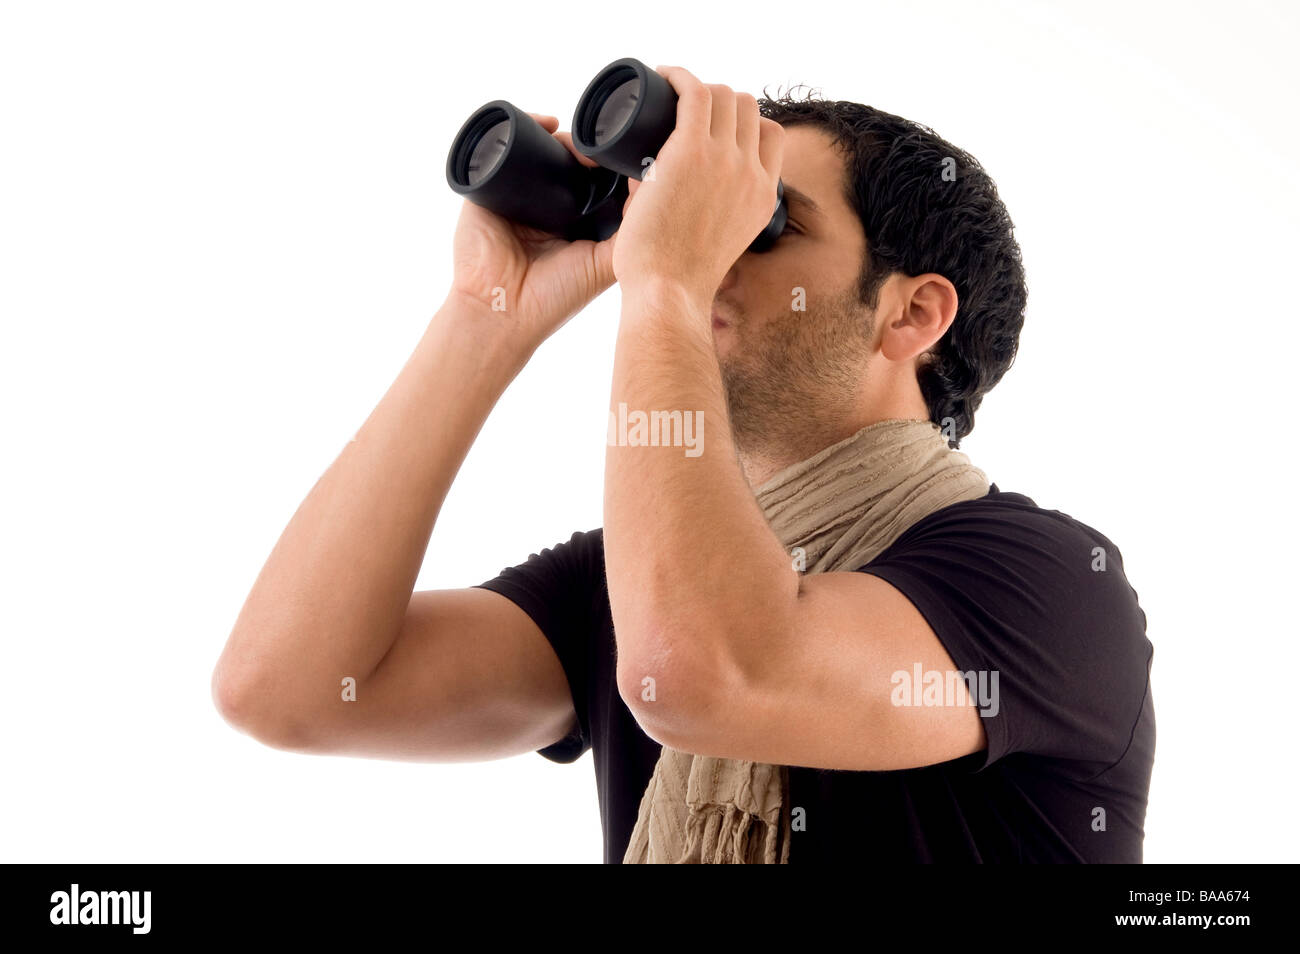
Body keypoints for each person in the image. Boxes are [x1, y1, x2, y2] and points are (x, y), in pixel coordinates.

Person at [212, 66, 1155, 864]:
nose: (708, 247)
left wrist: (666, 280)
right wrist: (485, 317)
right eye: (708, 211)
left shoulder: (1049, 584)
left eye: (765, 221)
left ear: (910, 315)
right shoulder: (631, 578)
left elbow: (704, 672)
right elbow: (290, 689)